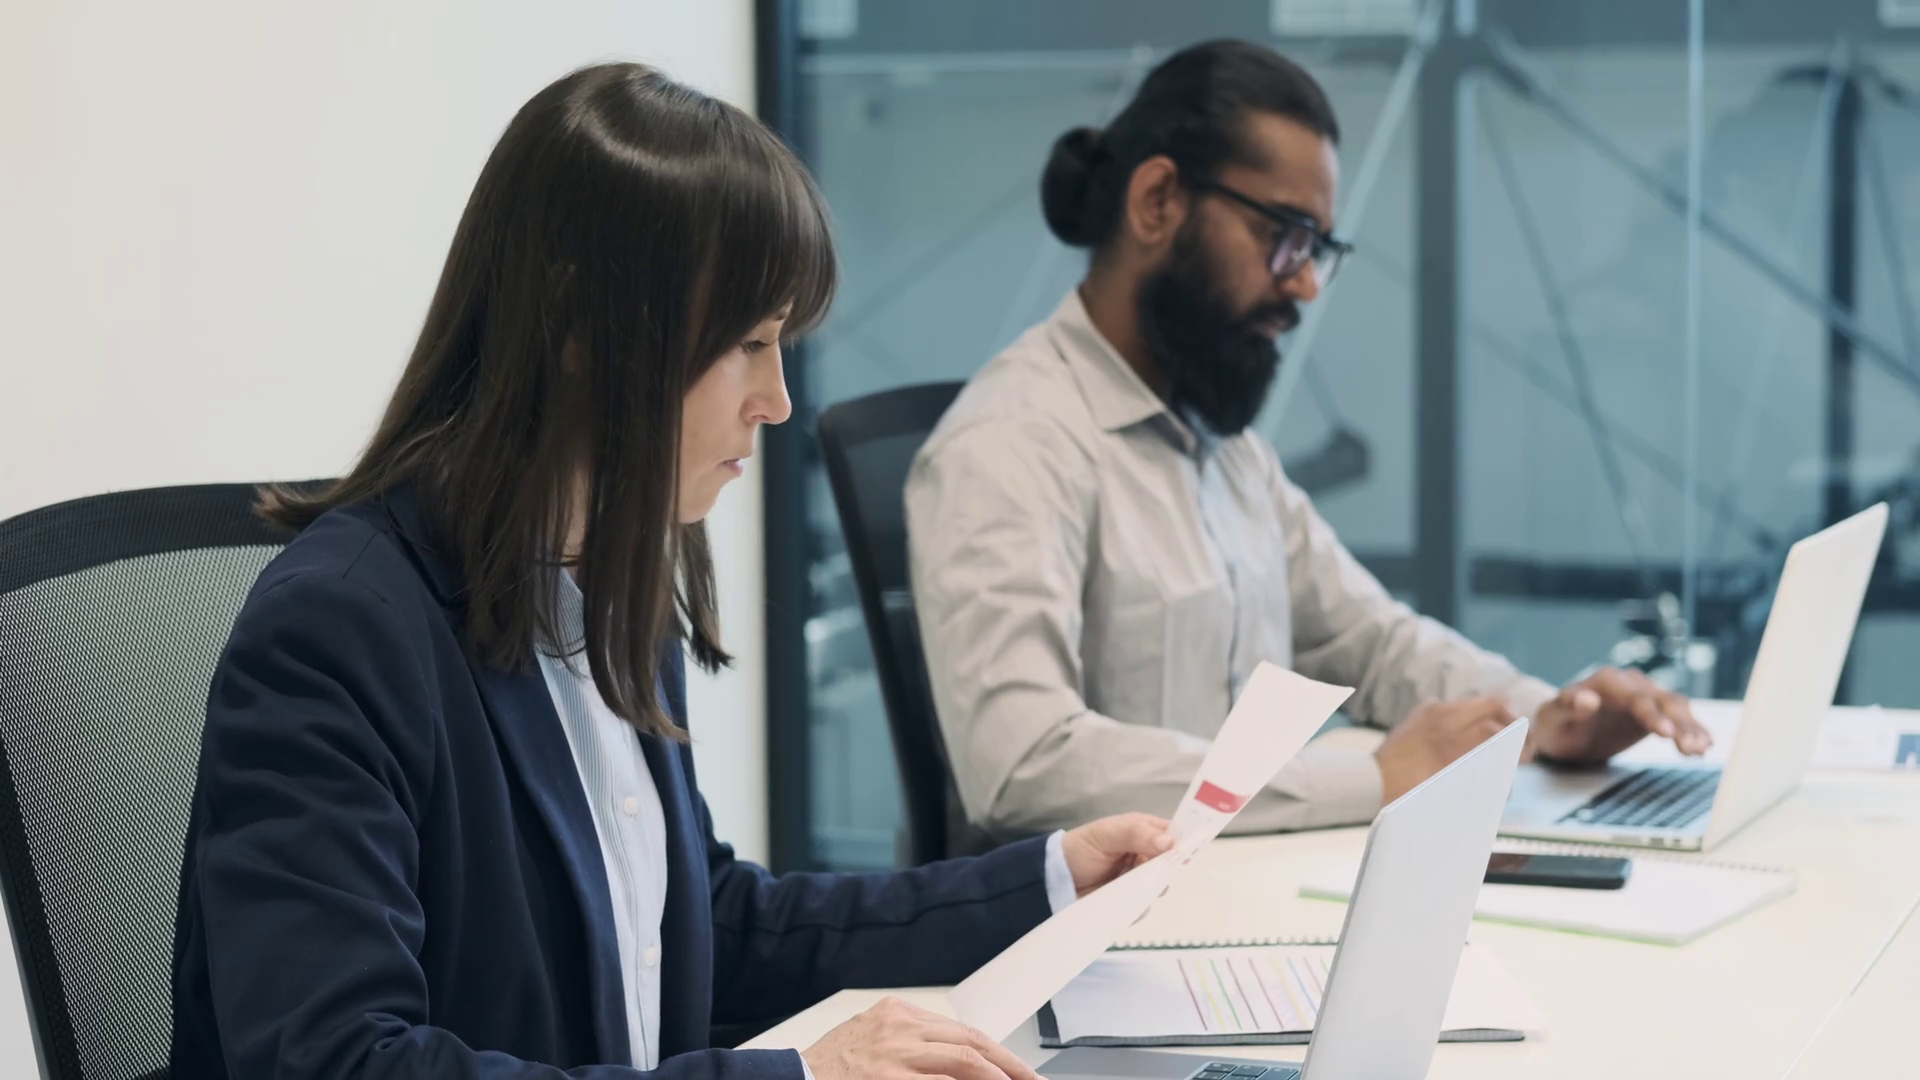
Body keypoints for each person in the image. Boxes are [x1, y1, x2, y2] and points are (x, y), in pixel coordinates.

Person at [168, 64, 1173, 1080]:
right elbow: (343, 1064)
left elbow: (706, 924)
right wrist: (799, 1078)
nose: (776, 400)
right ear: (578, 327)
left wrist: (1043, 885)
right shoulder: (339, 630)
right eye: (749, 343)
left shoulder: (605, 582)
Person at [905, 40, 1714, 846]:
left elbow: (1370, 640)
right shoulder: (1009, 445)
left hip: (1244, 889)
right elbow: (1020, 765)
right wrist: (1372, 779)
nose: (1306, 283)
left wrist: (1543, 718)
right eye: (1287, 235)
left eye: (1318, 248)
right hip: (1101, 947)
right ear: (1157, 202)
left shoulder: (1223, 446)